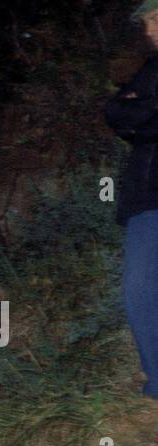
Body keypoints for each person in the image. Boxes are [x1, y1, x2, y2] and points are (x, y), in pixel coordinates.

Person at [106, 1, 158, 401]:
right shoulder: (152, 69)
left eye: (156, 19)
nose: (148, 30)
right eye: (145, 23)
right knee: (139, 288)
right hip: (147, 197)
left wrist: (144, 113)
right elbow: (117, 114)